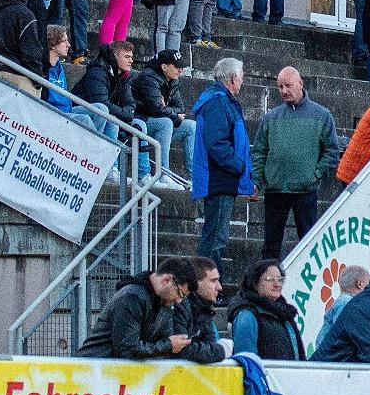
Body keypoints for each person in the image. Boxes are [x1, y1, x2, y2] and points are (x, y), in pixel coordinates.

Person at [252, 66, 341, 261]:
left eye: (288, 85)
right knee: (270, 246)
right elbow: (259, 151)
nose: (284, 91)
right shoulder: (271, 117)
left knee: (308, 244)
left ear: (300, 84)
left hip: (305, 190)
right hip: (275, 189)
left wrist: (315, 174)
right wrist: (257, 180)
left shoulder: (322, 115)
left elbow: (332, 151)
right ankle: (266, 279)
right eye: (280, 87)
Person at [191, 57, 253, 275]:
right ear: (233, 78)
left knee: (217, 237)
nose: (243, 81)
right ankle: (203, 286)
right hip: (219, 180)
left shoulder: (222, 101)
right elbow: (217, 144)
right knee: (215, 239)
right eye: (242, 77)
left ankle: (206, 285)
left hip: (223, 180)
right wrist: (239, 167)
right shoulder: (218, 103)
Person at [77, 258, 191, 359]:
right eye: (180, 293)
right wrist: (168, 346)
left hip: (110, 370)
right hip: (94, 369)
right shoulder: (131, 297)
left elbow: (161, 343)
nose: (179, 301)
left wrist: (170, 345)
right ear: (167, 280)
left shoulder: (164, 300)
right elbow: (127, 349)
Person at [130, 49, 195, 178]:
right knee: (165, 122)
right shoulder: (149, 78)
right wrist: (172, 114)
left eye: (181, 67)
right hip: (140, 123)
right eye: (177, 67)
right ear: (164, 67)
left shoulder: (173, 80)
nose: (180, 70)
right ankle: (164, 174)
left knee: (191, 126)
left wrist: (167, 110)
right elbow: (156, 109)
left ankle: (193, 179)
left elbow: (181, 108)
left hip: (159, 124)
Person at [228, 260, 305, 360]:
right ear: (254, 283)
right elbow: (247, 360)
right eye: (270, 279)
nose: (277, 284)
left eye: (280, 279)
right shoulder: (247, 315)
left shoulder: (284, 313)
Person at [71, 40, 135, 147]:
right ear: (115, 56)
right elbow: (101, 102)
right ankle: (95, 148)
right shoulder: (97, 72)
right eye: (127, 57)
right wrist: (125, 114)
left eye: (131, 57)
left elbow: (131, 105)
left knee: (125, 123)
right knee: (102, 110)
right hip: (77, 110)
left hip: (106, 114)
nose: (131, 61)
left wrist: (125, 114)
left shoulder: (123, 76)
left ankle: (109, 157)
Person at [168, 258, 228, 362]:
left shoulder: (204, 308)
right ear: (196, 283)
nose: (219, 287)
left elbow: (211, 344)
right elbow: (181, 348)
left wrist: (217, 350)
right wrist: (222, 351)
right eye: (213, 281)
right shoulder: (179, 305)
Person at [316, 264, 370, 346]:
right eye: (369, 282)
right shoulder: (346, 303)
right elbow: (343, 334)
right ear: (359, 284)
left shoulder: (344, 301)